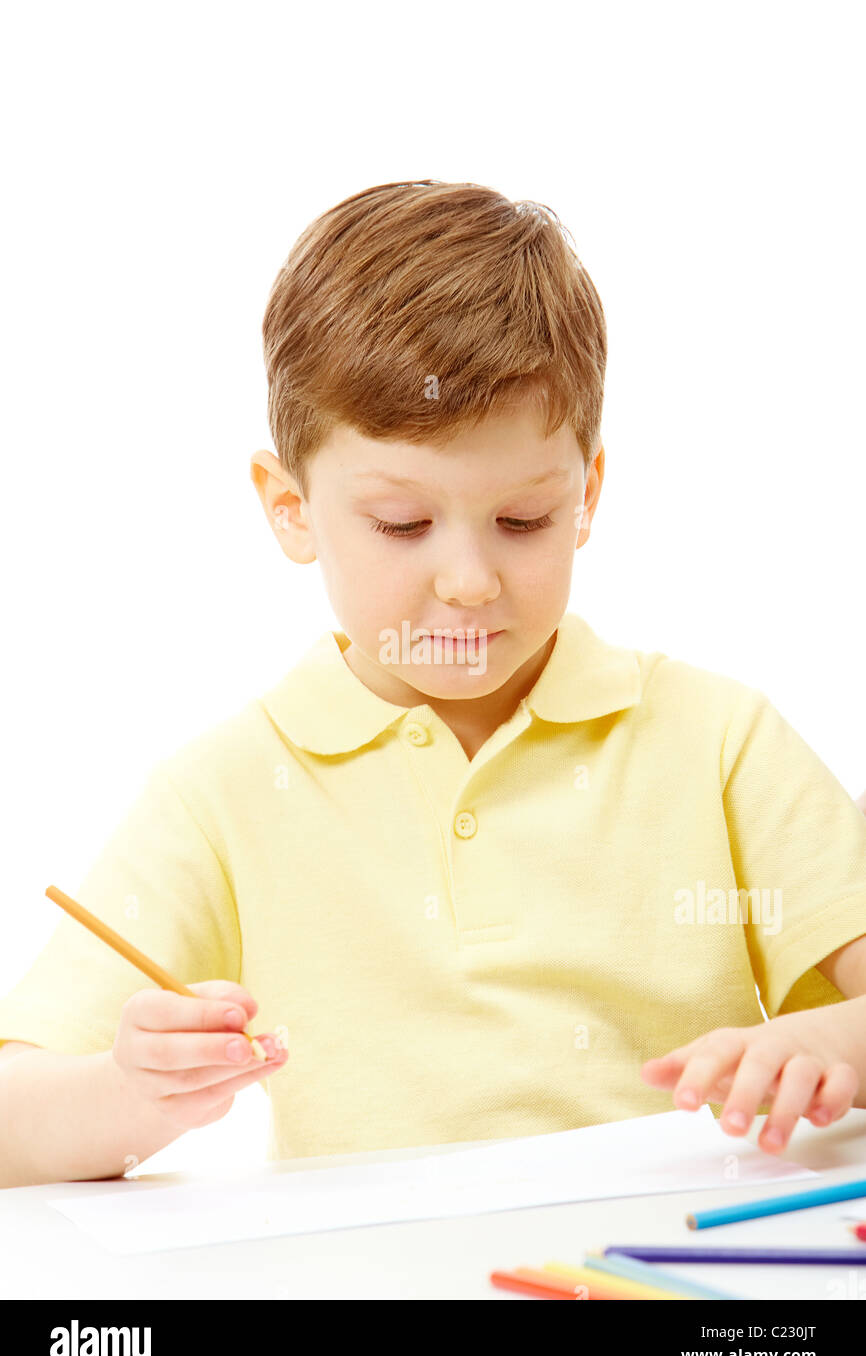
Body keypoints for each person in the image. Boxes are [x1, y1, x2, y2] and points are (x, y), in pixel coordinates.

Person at [2, 180, 866, 1188]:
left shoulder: (718, 739)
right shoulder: (225, 791)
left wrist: (833, 1050)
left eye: (522, 521)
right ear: (289, 508)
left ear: (584, 493)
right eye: (403, 525)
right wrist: (129, 1092)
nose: (467, 582)